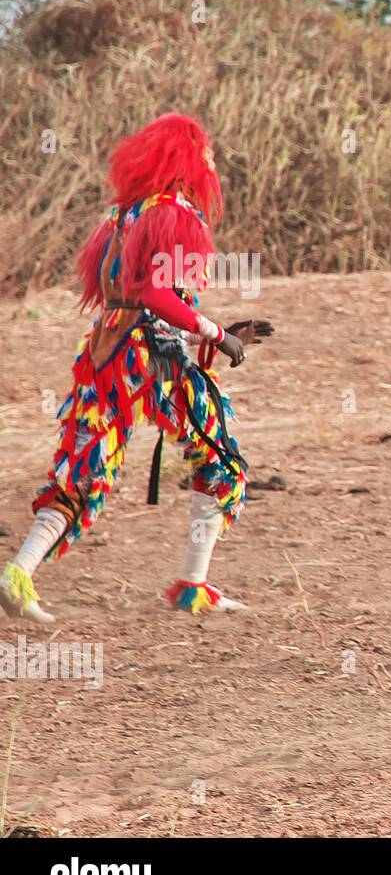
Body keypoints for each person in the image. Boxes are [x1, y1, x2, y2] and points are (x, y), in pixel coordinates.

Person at [1, 113, 268, 624]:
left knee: (83, 471)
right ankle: (193, 585)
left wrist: (210, 332)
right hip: (151, 363)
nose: (212, 159)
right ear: (185, 158)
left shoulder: (122, 216)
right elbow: (155, 295)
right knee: (220, 461)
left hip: (106, 355)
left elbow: (129, 297)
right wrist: (214, 333)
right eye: (206, 150)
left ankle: (18, 572)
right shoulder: (176, 214)